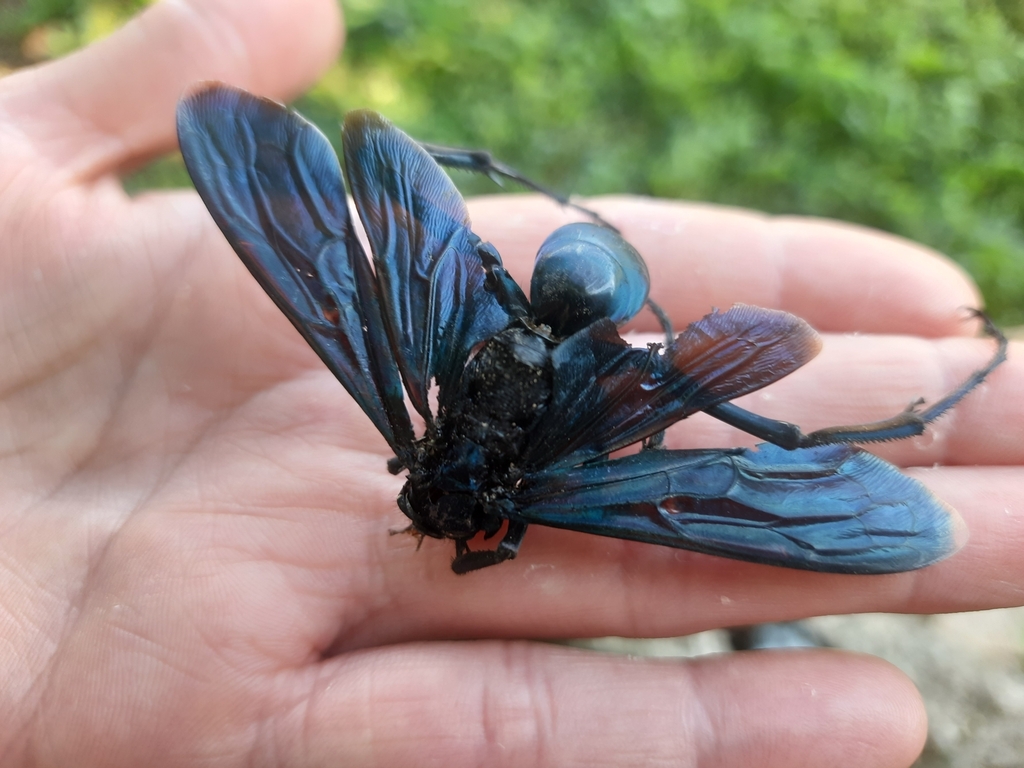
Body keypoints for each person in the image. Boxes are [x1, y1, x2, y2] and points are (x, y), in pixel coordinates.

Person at [0, 1, 1019, 765]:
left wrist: (491, 542)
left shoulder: (448, 420)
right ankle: (907, 428)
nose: (446, 527)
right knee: (718, 468)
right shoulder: (452, 419)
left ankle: (895, 439)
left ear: (424, 455)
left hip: (572, 296)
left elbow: (501, 538)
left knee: (715, 452)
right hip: (585, 296)